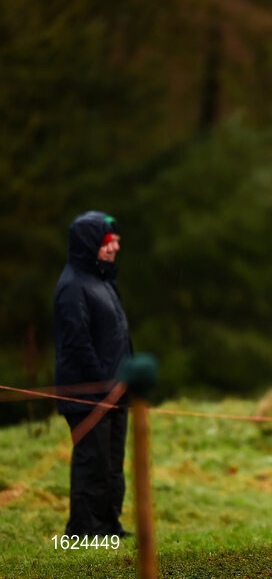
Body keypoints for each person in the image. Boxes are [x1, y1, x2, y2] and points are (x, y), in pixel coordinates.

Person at [54, 211, 132, 538]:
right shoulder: (72, 287)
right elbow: (78, 344)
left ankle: (109, 526)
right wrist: (103, 384)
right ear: (89, 244)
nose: (115, 247)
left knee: (112, 466)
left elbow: (118, 337)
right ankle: (85, 532)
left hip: (114, 395)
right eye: (107, 242)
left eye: (115, 241)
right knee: (93, 466)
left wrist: (123, 385)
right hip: (89, 396)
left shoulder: (103, 281)